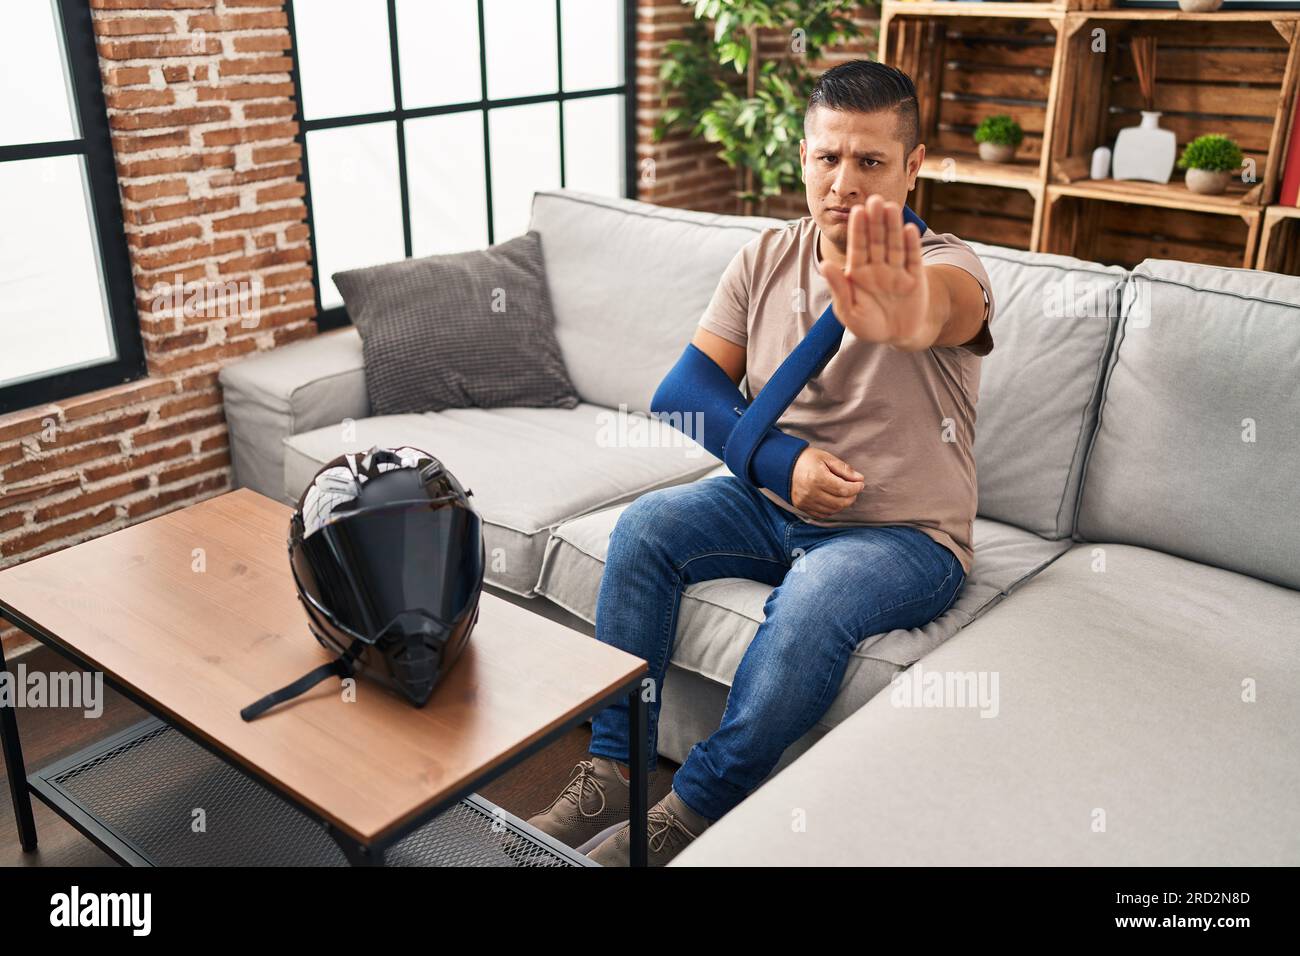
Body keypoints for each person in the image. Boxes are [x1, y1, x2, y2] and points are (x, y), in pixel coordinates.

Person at [528, 59, 998, 866]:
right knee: (644, 527)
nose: (844, 182)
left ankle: (694, 809)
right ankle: (613, 768)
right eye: (827, 157)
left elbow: (940, 311)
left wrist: (902, 307)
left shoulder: (953, 267)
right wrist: (780, 466)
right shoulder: (765, 258)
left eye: (871, 162)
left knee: (815, 595)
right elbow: (684, 391)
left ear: (913, 166)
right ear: (803, 155)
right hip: (769, 504)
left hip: (904, 537)